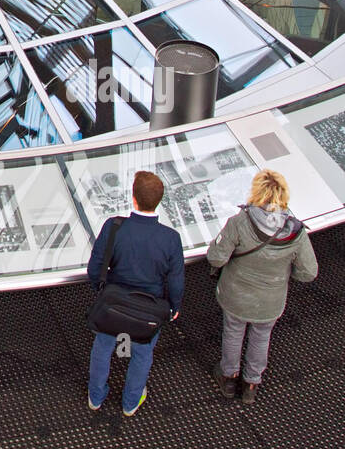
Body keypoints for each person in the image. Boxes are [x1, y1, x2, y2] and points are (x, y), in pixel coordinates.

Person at [207, 170, 317, 405]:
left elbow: (216, 258)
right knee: (261, 335)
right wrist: (284, 273)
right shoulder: (295, 232)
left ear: (256, 192)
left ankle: (228, 378)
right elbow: (309, 272)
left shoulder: (239, 222)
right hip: (270, 300)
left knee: (233, 331)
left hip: (236, 295)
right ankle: (251, 384)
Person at [86, 170, 184, 417]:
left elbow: (95, 267)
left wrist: (100, 290)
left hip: (113, 303)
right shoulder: (171, 239)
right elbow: (175, 280)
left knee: (103, 346)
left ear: (133, 197)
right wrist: (174, 306)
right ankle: (131, 402)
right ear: (159, 200)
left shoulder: (114, 226)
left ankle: (95, 397)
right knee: (142, 352)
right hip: (149, 308)